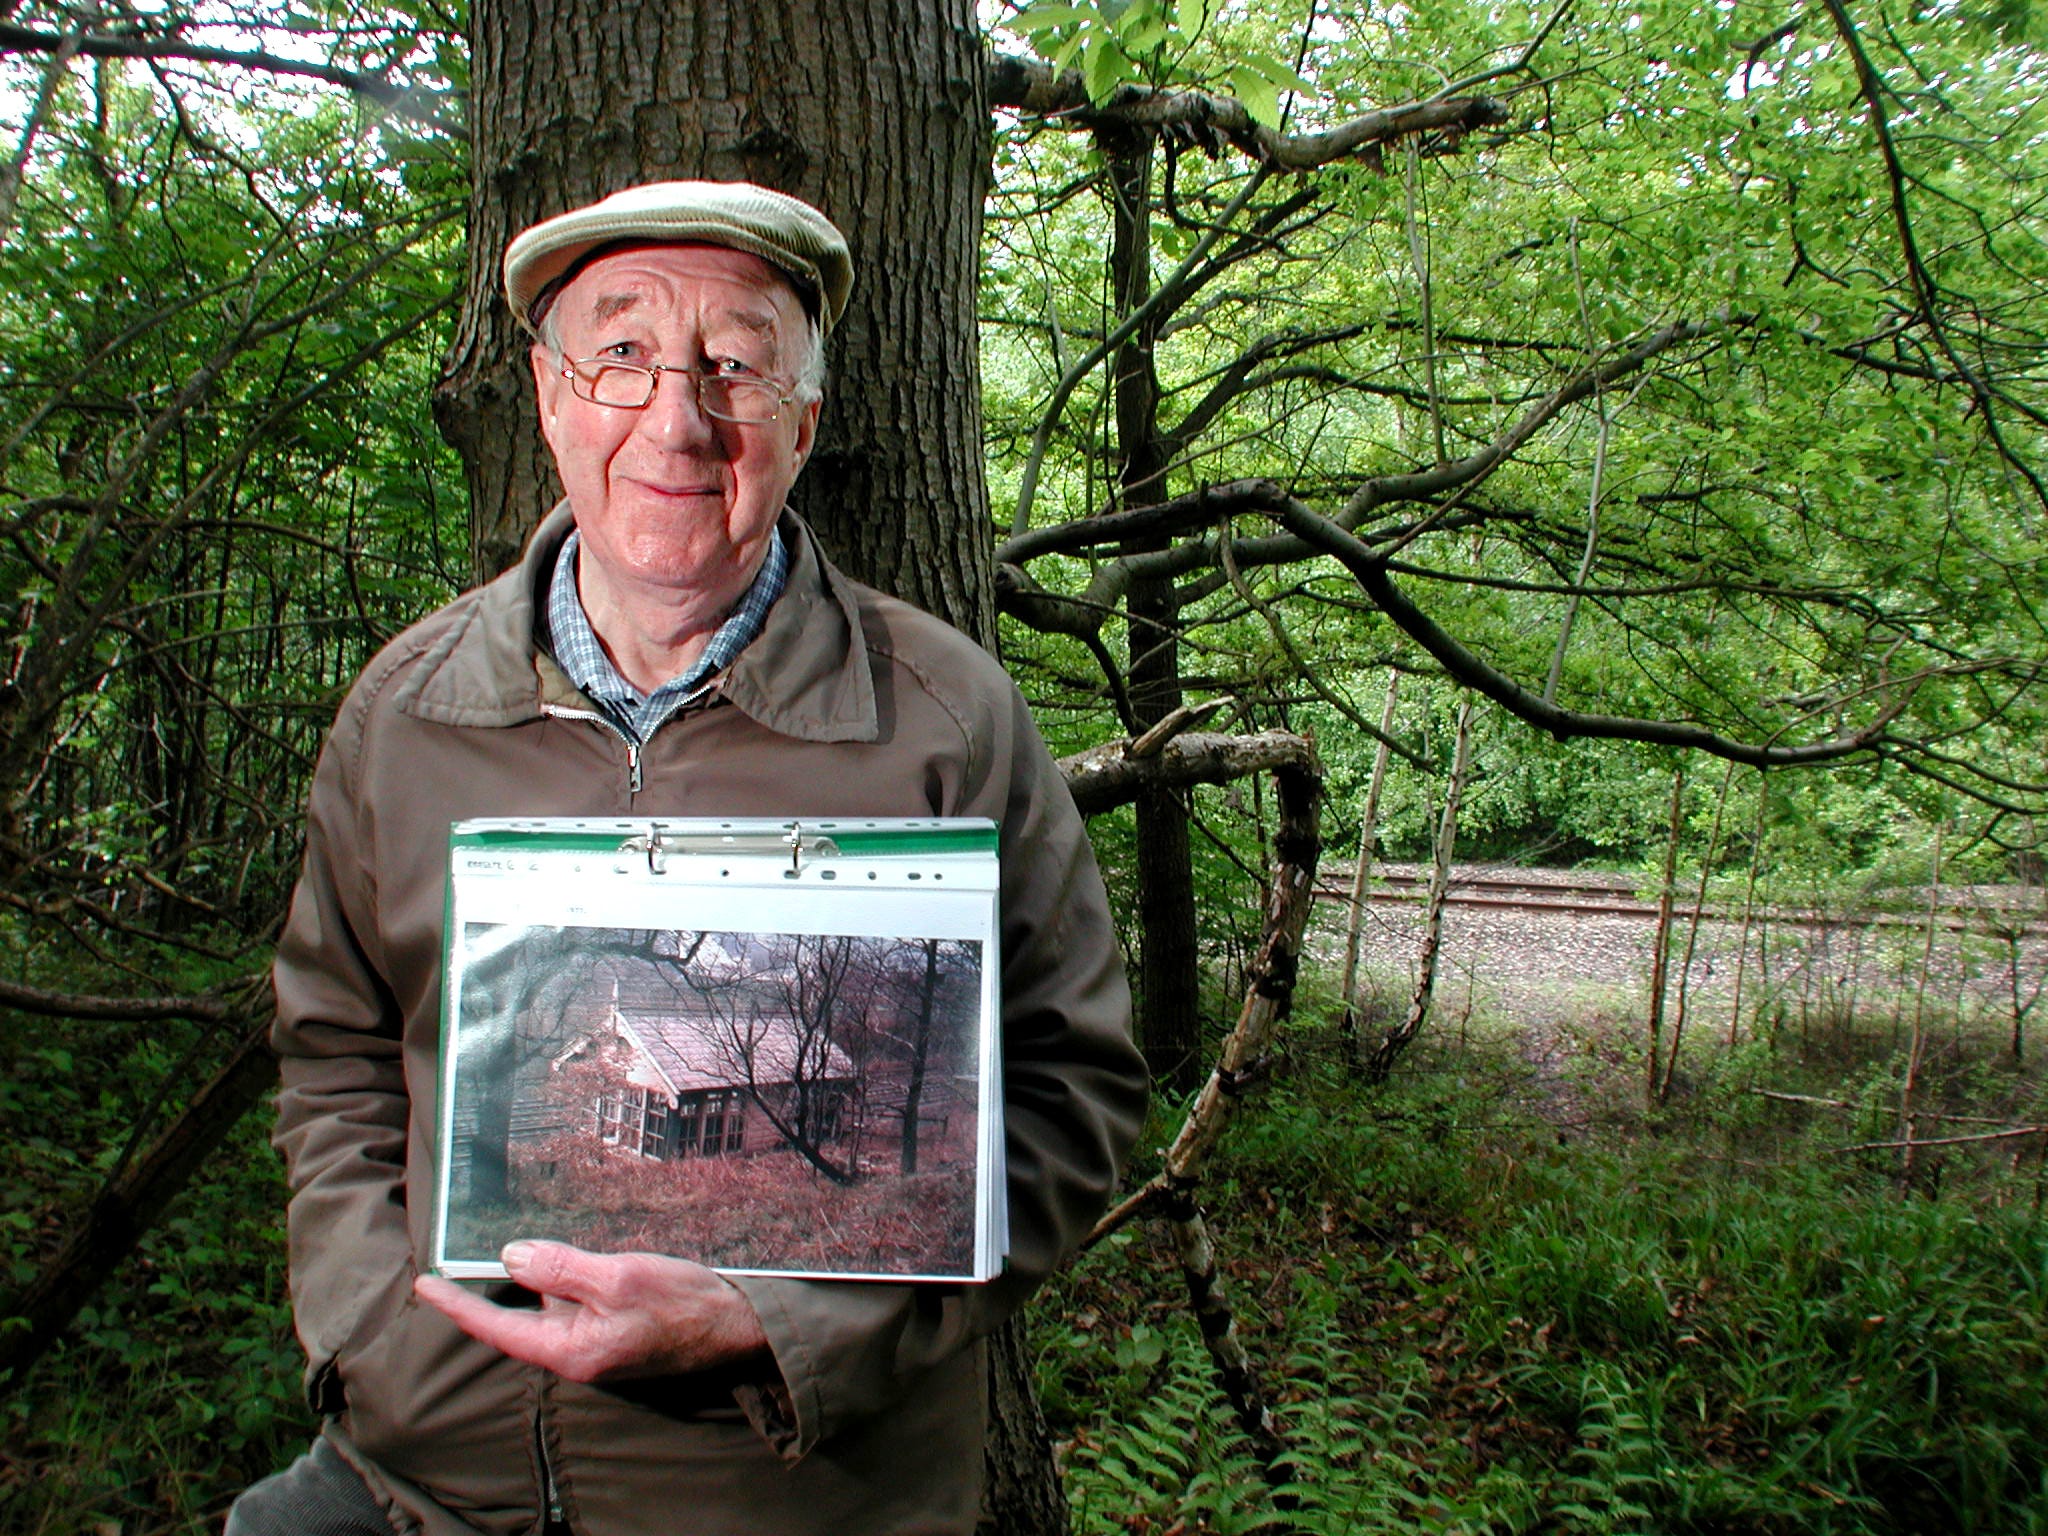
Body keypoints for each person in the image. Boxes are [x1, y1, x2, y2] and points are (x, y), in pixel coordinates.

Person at [228, 181, 1146, 1536]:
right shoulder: (407, 712)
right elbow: (337, 1051)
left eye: (735, 363)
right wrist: (379, 1337)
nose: (676, 418)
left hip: (793, 1496)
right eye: (621, 355)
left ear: (804, 420)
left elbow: (1076, 1094)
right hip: (423, 1480)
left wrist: (772, 1319)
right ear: (550, 401)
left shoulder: (944, 721)